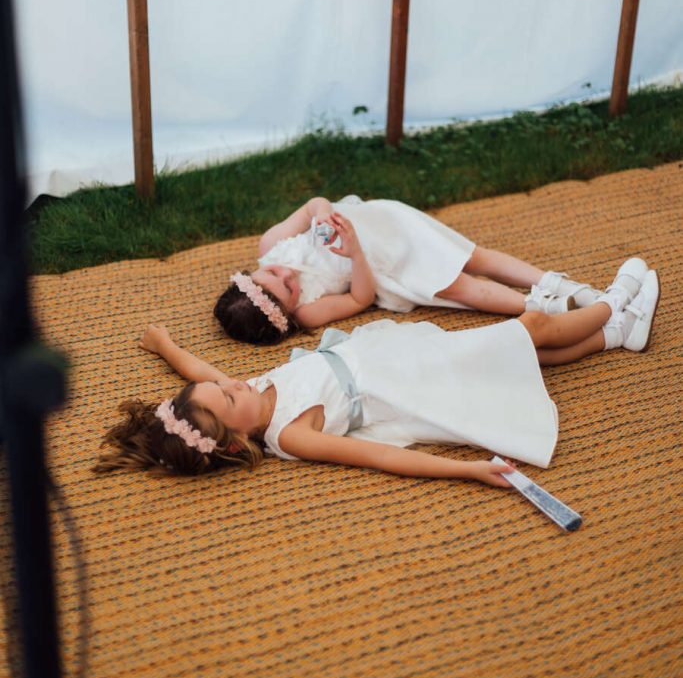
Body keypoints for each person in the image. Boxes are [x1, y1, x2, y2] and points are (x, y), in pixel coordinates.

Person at [95, 260, 660, 487]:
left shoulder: (254, 394)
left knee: (520, 356)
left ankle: (614, 337)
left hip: (391, 353)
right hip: (410, 383)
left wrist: (165, 344)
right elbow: (381, 457)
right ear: (239, 443)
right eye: (227, 399)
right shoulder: (290, 432)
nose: (232, 383)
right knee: (530, 329)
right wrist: (468, 472)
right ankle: (616, 304)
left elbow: (201, 372)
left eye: (222, 384)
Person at [213, 196, 611, 345]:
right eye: (289, 290)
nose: (288, 277)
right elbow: (360, 298)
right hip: (382, 266)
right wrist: (353, 254)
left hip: (383, 223)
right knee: (459, 286)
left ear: (254, 273)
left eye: (275, 275)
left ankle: (556, 282)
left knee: (473, 256)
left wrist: (324, 217)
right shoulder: (308, 312)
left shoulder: (270, 246)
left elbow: (314, 203)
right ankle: (543, 304)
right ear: (286, 314)